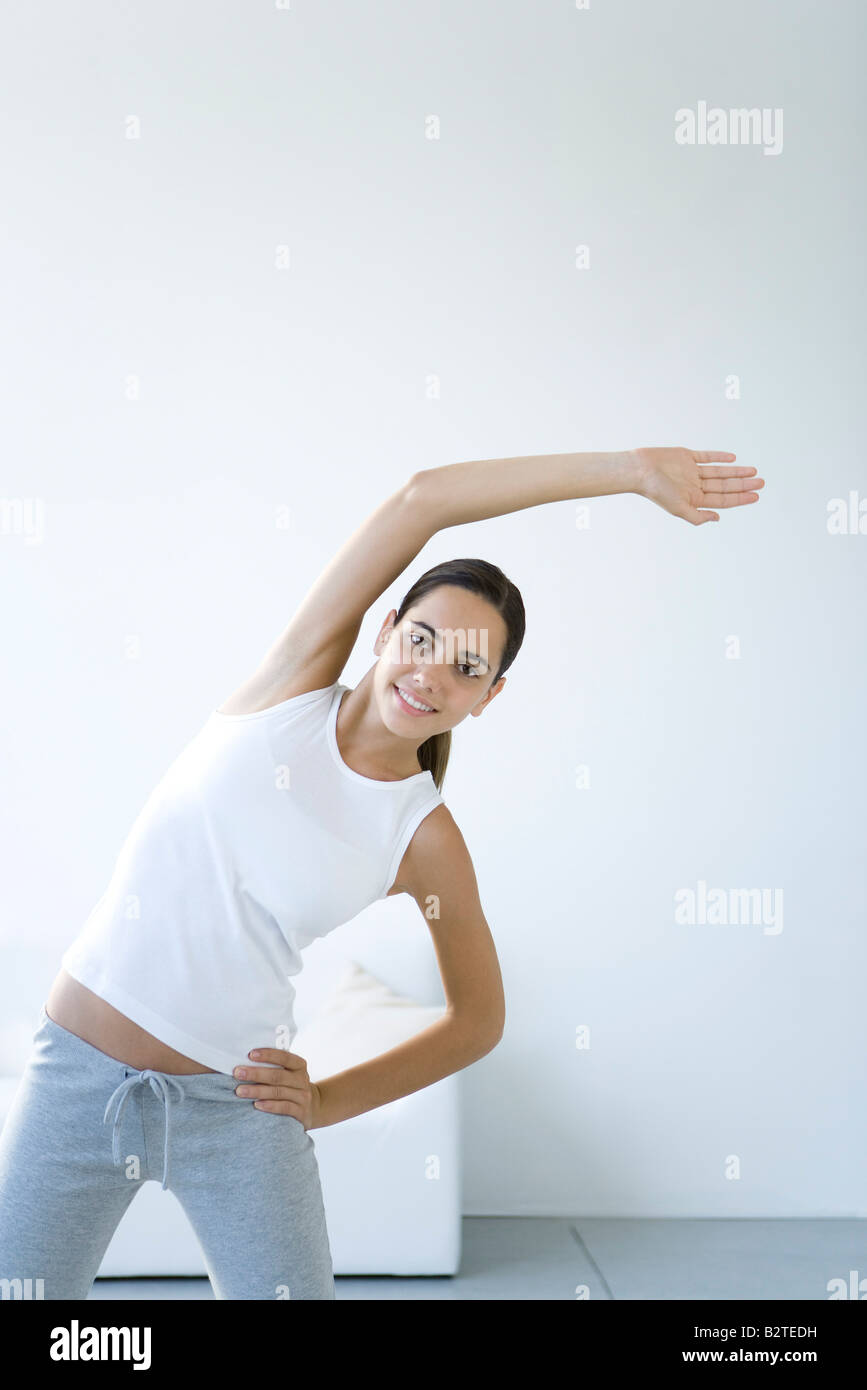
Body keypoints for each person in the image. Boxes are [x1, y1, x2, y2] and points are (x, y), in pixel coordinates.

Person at [0, 444, 764, 1301]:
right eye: (423, 639)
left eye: (467, 668)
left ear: (488, 697)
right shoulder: (287, 690)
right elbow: (421, 498)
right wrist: (629, 471)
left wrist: (323, 1101)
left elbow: (478, 1020)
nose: (430, 674)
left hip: (236, 1109)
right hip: (77, 1076)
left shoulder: (422, 836)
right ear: (385, 625)